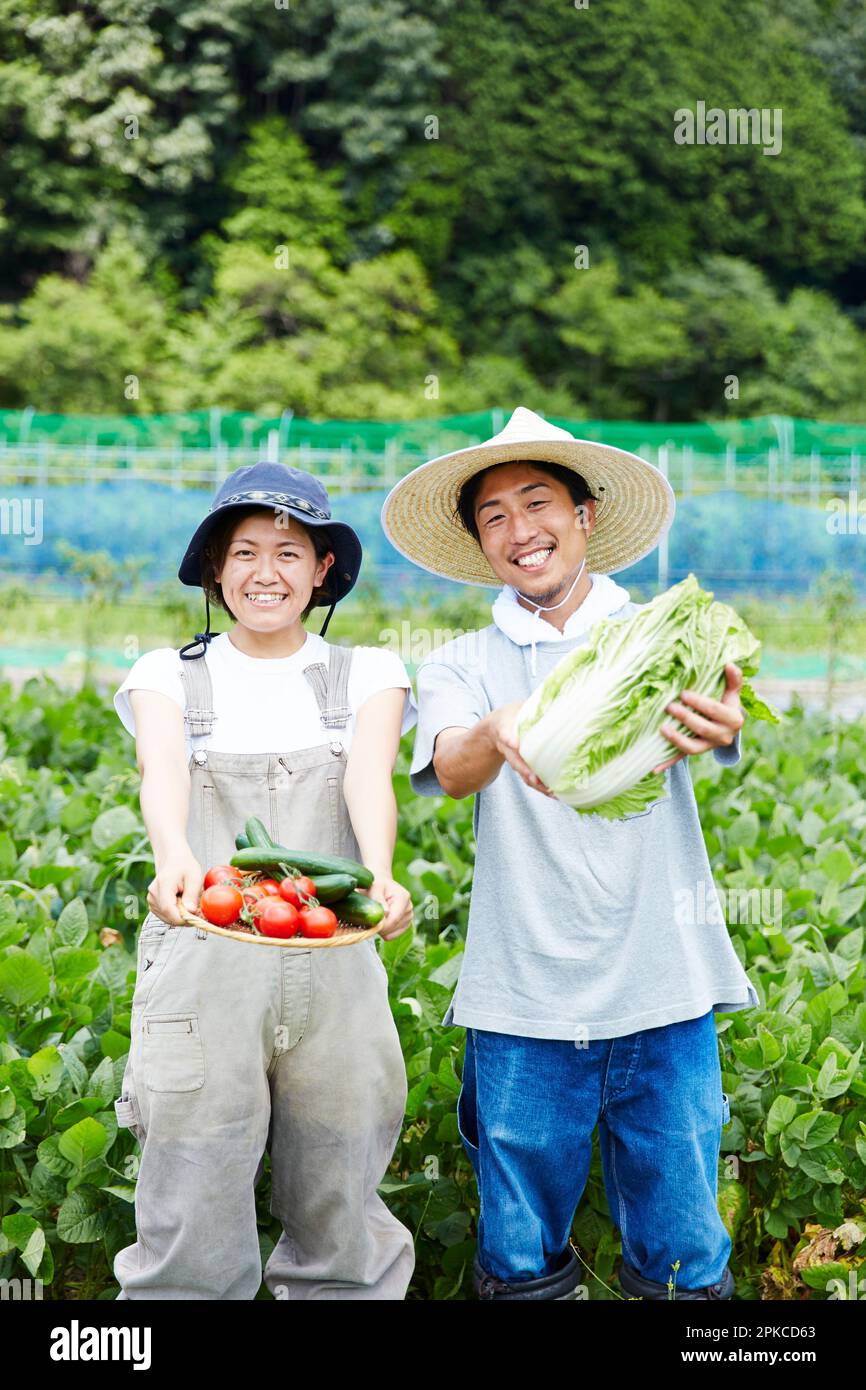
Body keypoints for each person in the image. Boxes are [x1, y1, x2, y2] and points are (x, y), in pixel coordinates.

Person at [381, 406, 756, 1302]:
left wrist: (726, 721)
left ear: (584, 516)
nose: (520, 529)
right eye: (494, 516)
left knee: (682, 1258)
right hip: (523, 995)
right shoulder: (461, 663)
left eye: (538, 501)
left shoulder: (664, 633)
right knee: (518, 1258)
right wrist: (501, 729)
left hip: (665, 983)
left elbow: (722, 722)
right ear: (481, 544)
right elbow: (450, 767)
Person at [112, 460, 415, 1300]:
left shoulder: (370, 672)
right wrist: (174, 851)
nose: (264, 572)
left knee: (342, 1196)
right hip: (203, 961)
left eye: (290, 551)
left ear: (322, 570)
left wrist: (381, 874)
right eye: (244, 552)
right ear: (216, 568)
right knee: (191, 1194)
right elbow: (161, 769)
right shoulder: (166, 673)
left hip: (335, 959)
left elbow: (370, 781)